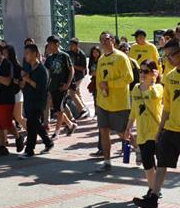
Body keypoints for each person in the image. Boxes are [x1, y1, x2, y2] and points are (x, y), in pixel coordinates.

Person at [132, 38, 180, 208]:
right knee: (162, 164)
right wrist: (160, 130)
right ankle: (153, 197)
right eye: (165, 56)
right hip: (170, 128)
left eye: (170, 56)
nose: (168, 60)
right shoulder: (170, 76)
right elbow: (167, 106)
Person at [124, 60, 164, 198]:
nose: (142, 74)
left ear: (153, 73)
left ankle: (156, 189)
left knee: (159, 163)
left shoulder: (158, 88)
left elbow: (154, 96)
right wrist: (128, 127)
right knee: (147, 163)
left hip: (156, 131)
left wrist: (152, 82)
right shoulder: (136, 88)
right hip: (142, 132)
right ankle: (152, 189)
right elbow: (134, 110)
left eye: (146, 71)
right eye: (140, 71)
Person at [95, 32, 133, 171]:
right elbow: (99, 81)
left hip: (119, 103)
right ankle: (107, 162)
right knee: (104, 131)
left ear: (112, 40)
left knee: (122, 132)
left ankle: (138, 149)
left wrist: (109, 85)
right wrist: (100, 97)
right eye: (102, 40)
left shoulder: (121, 57)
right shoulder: (101, 59)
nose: (104, 42)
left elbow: (128, 78)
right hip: (103, 103)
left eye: (107, 39)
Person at [0, 43, 23, 156]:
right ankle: (2, 146)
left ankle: (18, 137)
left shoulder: (7, 64)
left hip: (6, 98)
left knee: (6, 123)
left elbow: (7, 81)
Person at [19, 43, 54, 158]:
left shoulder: (42, 70)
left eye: (27, 53)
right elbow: (23, 84)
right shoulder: (27, 67)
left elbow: (41, 88)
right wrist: (22, 81)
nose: (25, 56)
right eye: (25, 54)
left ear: (34, 54)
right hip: (28, 99)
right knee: (35, 124)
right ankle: (48, 142)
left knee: (31, 124)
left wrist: (28, 80)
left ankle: (29, 150)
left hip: (37, 101)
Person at [43, 36, 76, 136]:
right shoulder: (49, 58)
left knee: (60, 110)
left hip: (62, 87)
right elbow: (47, 73)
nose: (49, 46)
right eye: (48, 44)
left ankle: (56, 132)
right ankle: (71, 125)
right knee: (57, 110)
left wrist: (68, 84)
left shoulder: (64, 56)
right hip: (53, 87)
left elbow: (71, 70)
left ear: (57, 44)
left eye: (51, 44)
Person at [67, 38, 89, 119]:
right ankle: (85, 110)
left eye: (72, 45)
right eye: (70, 45)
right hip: (72, 76)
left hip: (79, 76)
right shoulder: (68, 53)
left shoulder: (81, 54)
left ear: (77, 45)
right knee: (77, 93)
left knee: (72, 92)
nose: (70, 46)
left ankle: (82, 109)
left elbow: (83, 68)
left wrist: (73, 66)